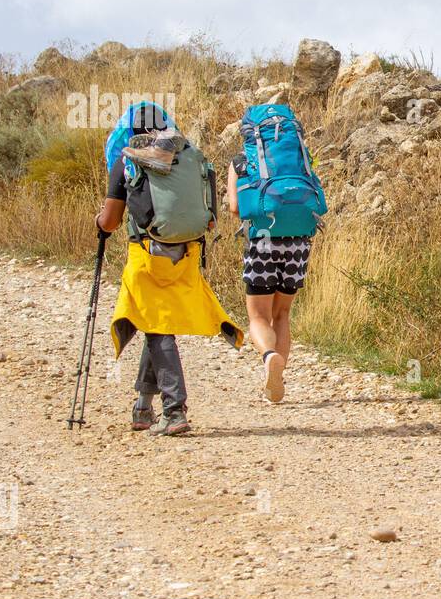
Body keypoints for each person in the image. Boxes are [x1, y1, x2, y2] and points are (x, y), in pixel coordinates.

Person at [97, 102, 243, 435]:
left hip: (149, 255)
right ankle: (143, 408)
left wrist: (99, 223)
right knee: (157, 322)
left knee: (157, 327)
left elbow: (110, 221)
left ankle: (174, 410)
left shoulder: (127, 159)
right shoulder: (190, 157)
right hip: (187, 254)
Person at [226, 103, 326, 403]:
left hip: (263, 239)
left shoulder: (242, 160)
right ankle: (278, 378)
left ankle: (269, 356)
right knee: (282, 314)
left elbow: (235, 208)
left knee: (258, 315)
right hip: (298, 240)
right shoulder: (299, 156)